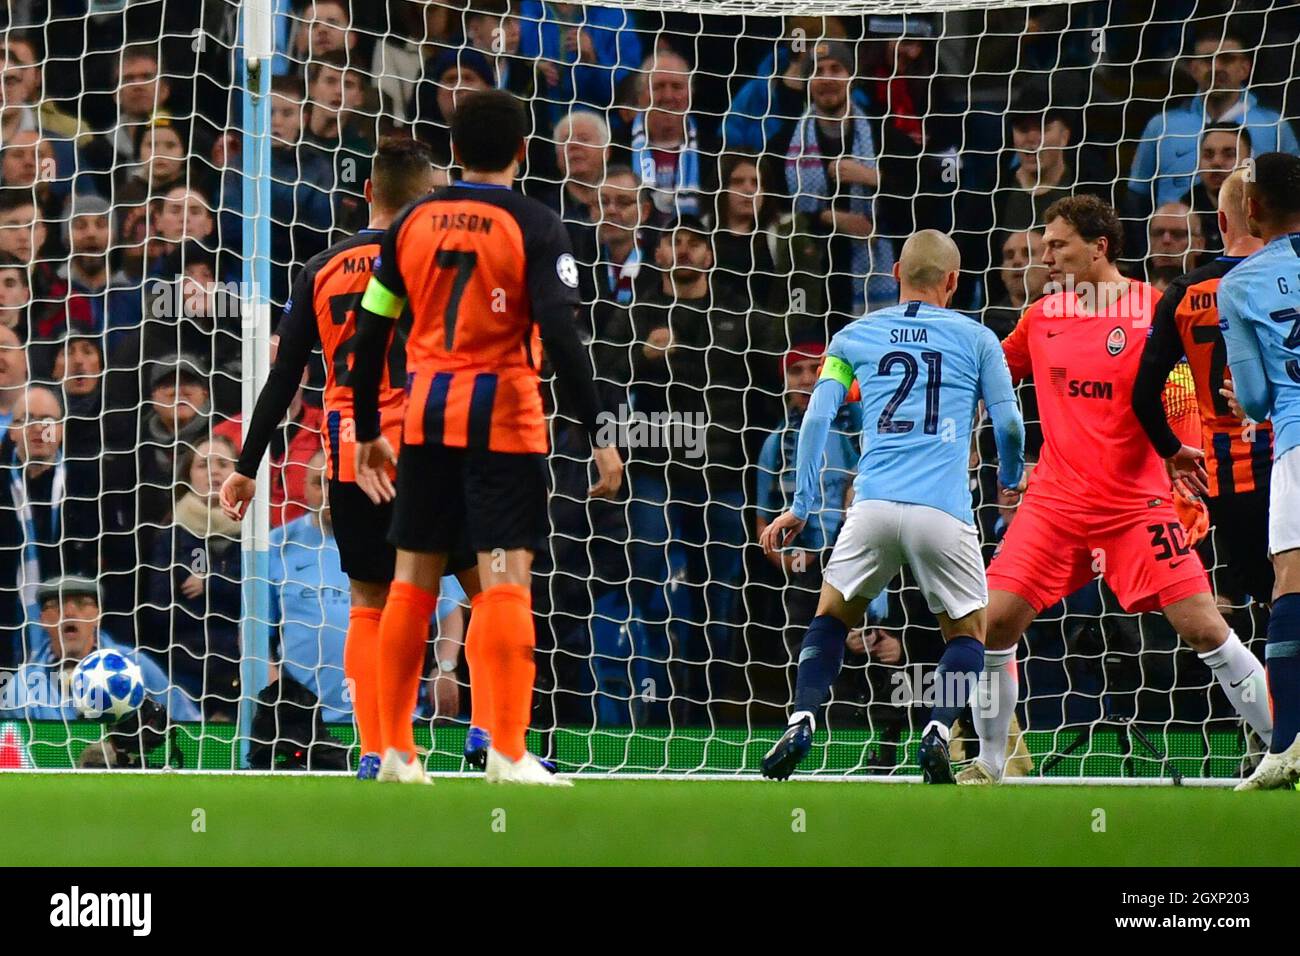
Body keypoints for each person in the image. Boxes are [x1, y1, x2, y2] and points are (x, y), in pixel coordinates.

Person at [349, 89, 621, 784]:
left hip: (425, 421)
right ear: (525, 152)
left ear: (456, 152)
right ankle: (505, 748)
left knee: (411, 580)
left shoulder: (411, 222)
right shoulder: (535, 222)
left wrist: (371, 428)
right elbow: (561, 332)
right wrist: (599, 430)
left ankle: (396, 754)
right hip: (503, 418)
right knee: (504, 578)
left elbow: (374, 324)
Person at [960, 195, 1274, 785]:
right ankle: (990, 765)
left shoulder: (1155, 308)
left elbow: (1183, 389)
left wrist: (1183, 459)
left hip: (1136, 504)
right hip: (1053, 504)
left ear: (1099, 247)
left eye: (1058, 245)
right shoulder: (1042, 315)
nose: (1045, 257)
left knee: (1204, 628)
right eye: (1044, 246)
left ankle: (1284, 749)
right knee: (994, 623)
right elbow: (992, 378)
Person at [221, 136, 459, 780]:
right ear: (429, 199)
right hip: (425, 439)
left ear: (366, 195)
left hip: (350, 445)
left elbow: (284, 375)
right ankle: (471, 740)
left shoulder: (323, 266)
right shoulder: (433, 258)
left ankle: (375, 749)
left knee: (366, 597)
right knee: (450, 584)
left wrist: (247, 465)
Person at [759, 230, 1025, 783]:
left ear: (896, 270)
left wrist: (802, 505)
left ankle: (803, 714)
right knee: (968, 635)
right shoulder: (979, 340)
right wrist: (1012, 478)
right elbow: (1009, 424)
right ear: (953, 281)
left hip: (873, 505)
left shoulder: (853, 336)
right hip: (943, 512)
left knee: (831, 617)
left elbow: (814, 419)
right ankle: (937, 727)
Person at [1133, 169, 1272, 614]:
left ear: (1222, 222)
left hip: (1226, 477)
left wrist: (1171, 449)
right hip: (1285, 459)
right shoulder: (1288, 277)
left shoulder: (1184, 292)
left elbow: (1142, 394)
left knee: (1250, 601)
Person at [1217, 152, 1300, 788]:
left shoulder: (1240, 283)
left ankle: (1289, 743)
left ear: (1250, 209)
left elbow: (1251, 401)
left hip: (1295, 443)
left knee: (1291, 586)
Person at [2, 575, 197, 721]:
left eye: (81, 603)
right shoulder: (21, 685)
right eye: (57, 604)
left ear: (98, 615)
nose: (69, 612)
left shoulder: (136, 665)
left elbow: (188, 723)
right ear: (42, 619)